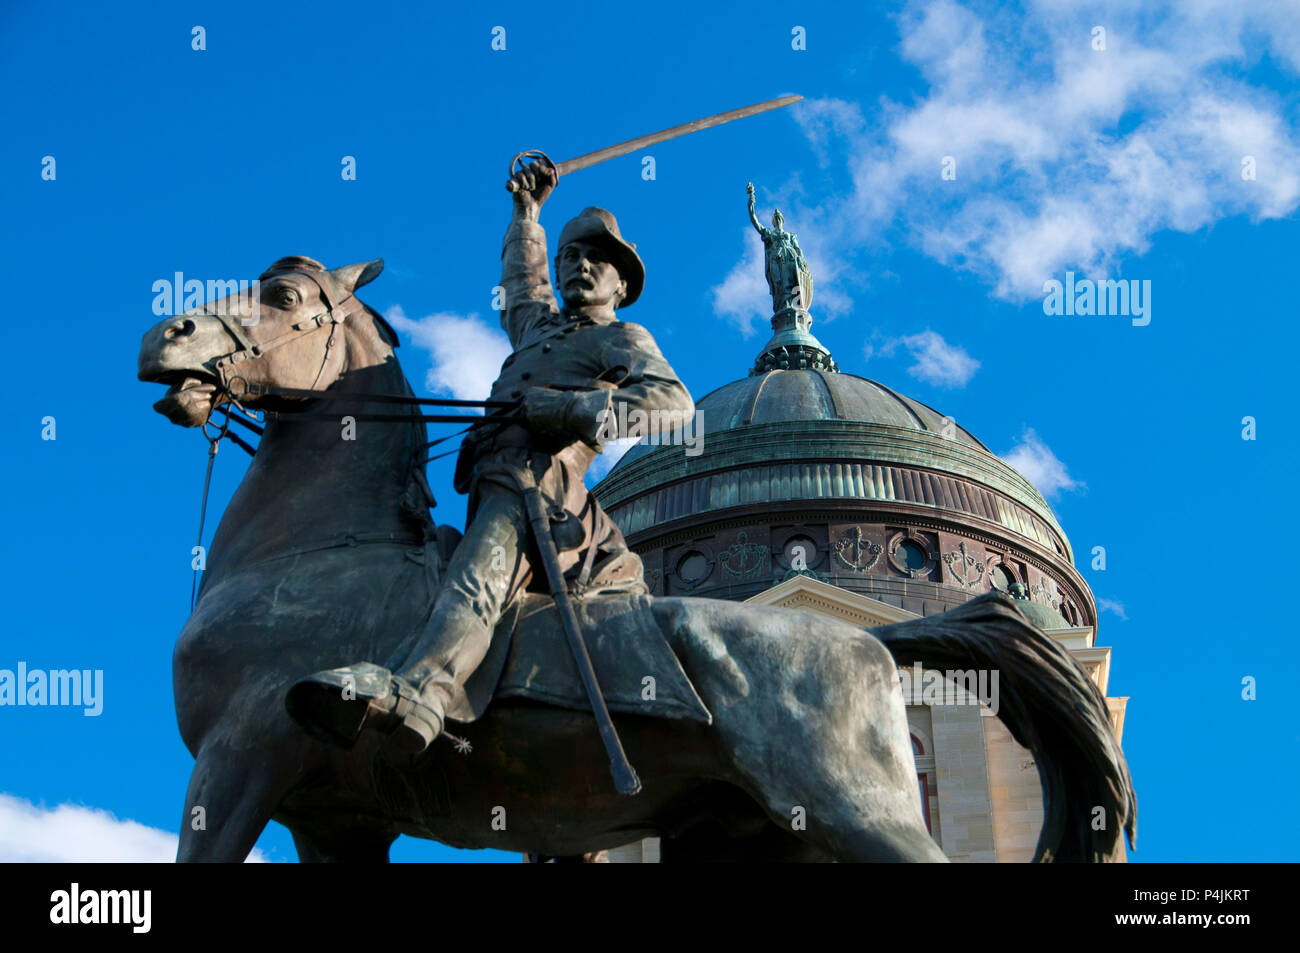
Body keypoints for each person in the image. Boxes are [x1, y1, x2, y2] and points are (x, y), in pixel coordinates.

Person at [287, 157, 694, 755]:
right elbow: (522, 287)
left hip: (541, 489)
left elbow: (674, 405)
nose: (580, 266)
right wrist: (527, 215)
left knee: (482, 569)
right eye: (569, 258)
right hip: (492, 475)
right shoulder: (540, 330)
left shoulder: (622, 338)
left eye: (596, 259)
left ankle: (422, 692)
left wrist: (571, 410)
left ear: (622, 285)